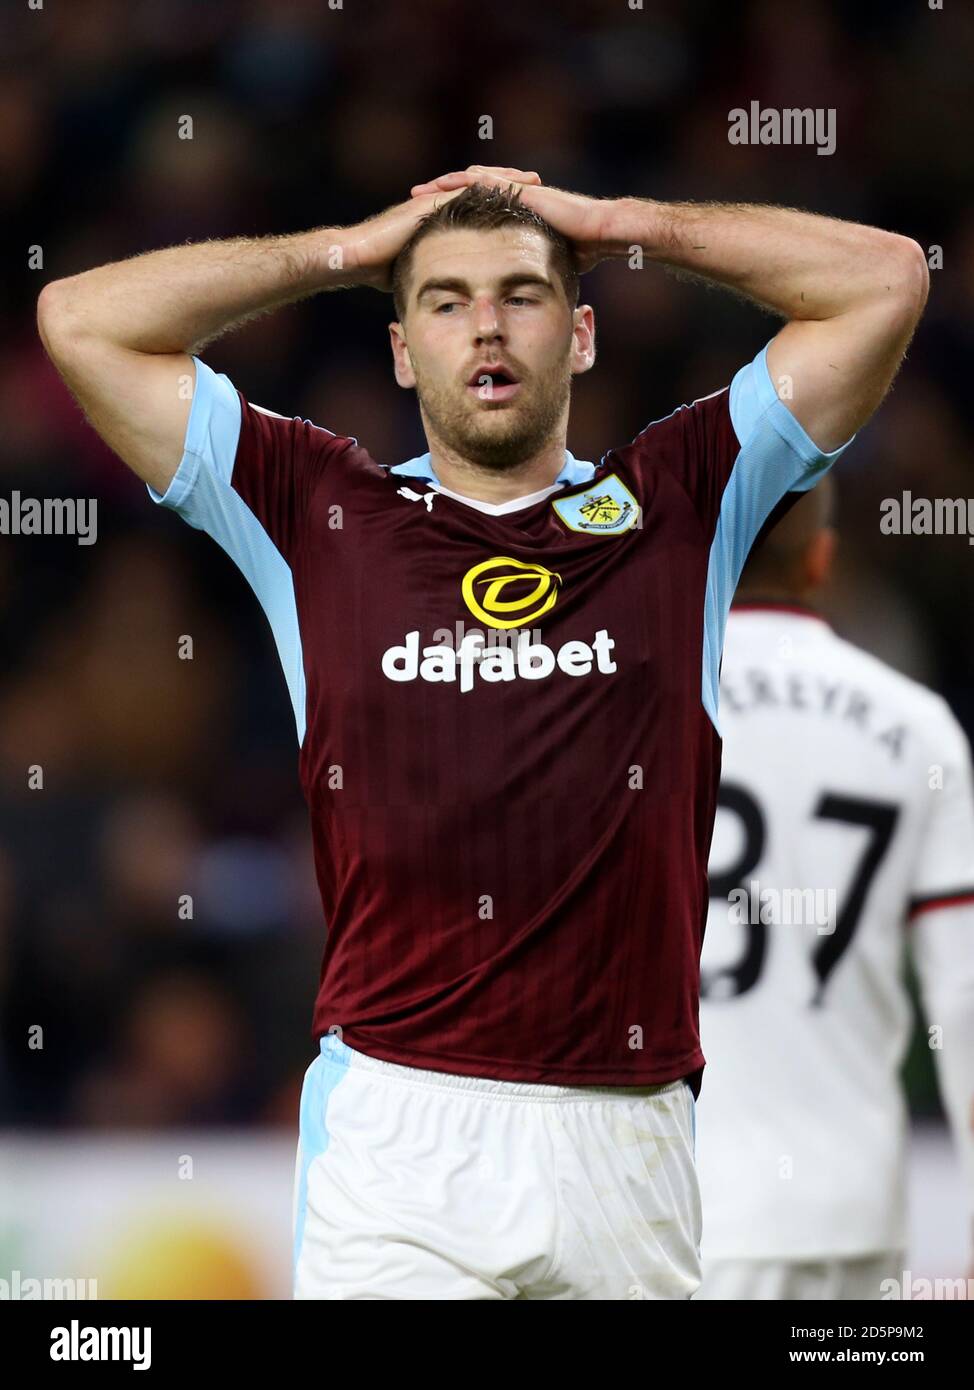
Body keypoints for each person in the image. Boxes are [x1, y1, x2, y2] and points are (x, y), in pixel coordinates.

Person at [36, 164, 929, 1299]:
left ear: (582, 331)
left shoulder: (682, 499)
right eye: (445, 300)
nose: (486, 326)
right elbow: (80, 320)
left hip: (629, 1136)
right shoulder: (316, 511)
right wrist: (348, 249)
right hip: (402, 1135)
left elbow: (885, 281)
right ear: (403, 348)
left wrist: (623, 224)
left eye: (522, 292)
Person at [694, 481, 974, 1300]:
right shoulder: (919, 727)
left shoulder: (610, 716)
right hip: (851, 1219)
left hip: (667, 1210)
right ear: (822, 559)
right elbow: (964, 996)